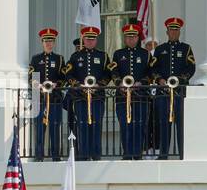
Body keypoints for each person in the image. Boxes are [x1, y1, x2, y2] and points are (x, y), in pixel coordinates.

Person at [149, 17, 196, 159]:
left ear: (179, 32)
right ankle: (163, 154)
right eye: (171, 30)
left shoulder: (186, 48)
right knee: (164, 124)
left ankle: (183, 154)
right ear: (167, 32)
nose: (174, 32)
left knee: (181, 124)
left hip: (179, 92)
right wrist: (159, 79)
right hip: (163, 93)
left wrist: (180, 80)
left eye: (176, 30)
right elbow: (152, 69)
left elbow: (191, 68)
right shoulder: (160, 49)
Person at [64, 25, 112, 160]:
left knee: (97, 125)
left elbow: (108, 74)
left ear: (96, 40)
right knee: (82, 126)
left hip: (97, 98)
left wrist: (99, 84)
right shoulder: (75, 56)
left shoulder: (103, 56)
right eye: (87, 39)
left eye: (93, 39)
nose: (90, 42)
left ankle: (96, 155)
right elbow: (68, 74)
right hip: (80, 97)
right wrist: (78, 85)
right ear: (83, 40)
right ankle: (84, 155)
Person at [113, 23, 152, 159]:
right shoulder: (118, 54)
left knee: (139, 125)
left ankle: (138, 153)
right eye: (128, 37)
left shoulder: (145, 54)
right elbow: (114, 72)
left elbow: (151, 73)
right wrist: (120, 83)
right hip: (122, 97)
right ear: (124, 38)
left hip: (140, 96)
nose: (131, 39)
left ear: (138, 38)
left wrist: (142, 82)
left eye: (134, 36)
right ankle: (127, 153)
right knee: (125, 126)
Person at [29, 27, 66, 160]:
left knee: (55, 127)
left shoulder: (59, 59)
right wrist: (37, 85)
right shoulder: (36, 59)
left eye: (51, 41)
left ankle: (55, 156)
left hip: (55, 99)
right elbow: (32, 77)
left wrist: (57, 85)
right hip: (39, 99)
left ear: (54, 42)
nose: (49, 43)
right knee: (39, 128)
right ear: (42, 42)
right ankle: (39, 156)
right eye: (46, 41)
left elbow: (64, 77)